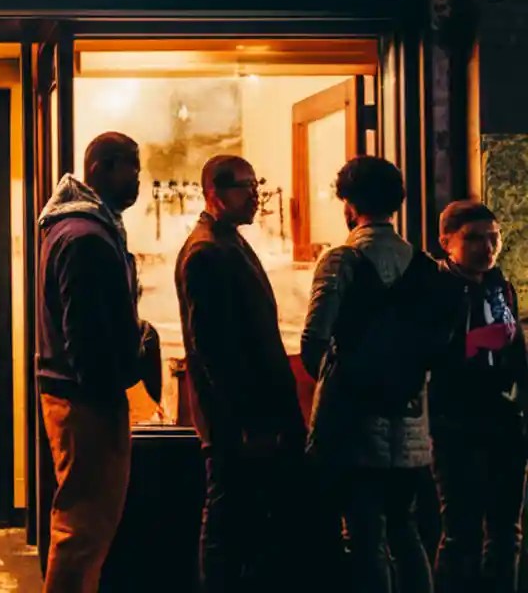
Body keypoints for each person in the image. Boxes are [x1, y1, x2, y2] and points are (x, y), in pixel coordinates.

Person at [302, 156, 453, 593]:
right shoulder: (425, 266)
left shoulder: (340, 261)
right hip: (410, 421)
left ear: (348, 204)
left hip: (352, 422)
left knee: (364, 535)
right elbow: (437, 343)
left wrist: (337, 379)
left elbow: (314, 339)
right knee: (406, 531)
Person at [174, 155, 311, 592]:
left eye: (258, 186)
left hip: (253, 415)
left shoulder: (225, 240)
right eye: (245, 188)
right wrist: (249, 420)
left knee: (246, 518)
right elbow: (216, 351)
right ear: (214, 192)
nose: (255, 197)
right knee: (228, 519)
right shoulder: (207, 251)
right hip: (240, 421)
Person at [36, 132, 144, 593]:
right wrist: (115, 385)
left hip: (77, 393)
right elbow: (86, 335)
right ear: (99, 168)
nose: (137, 178)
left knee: (83, 527)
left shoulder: (77, 230)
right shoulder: (87, 238)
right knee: (84, 529)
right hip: (87, 400)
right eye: (130, 166)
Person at [431, 201, 528, 593]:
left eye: (493, 238)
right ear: (446, 242)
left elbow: (515, 349)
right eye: (473, 239)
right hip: (455, 420)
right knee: (461, 530)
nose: (487, 248)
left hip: (501, 415)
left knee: (506, 529)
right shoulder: (437, 288)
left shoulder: (499, 284)